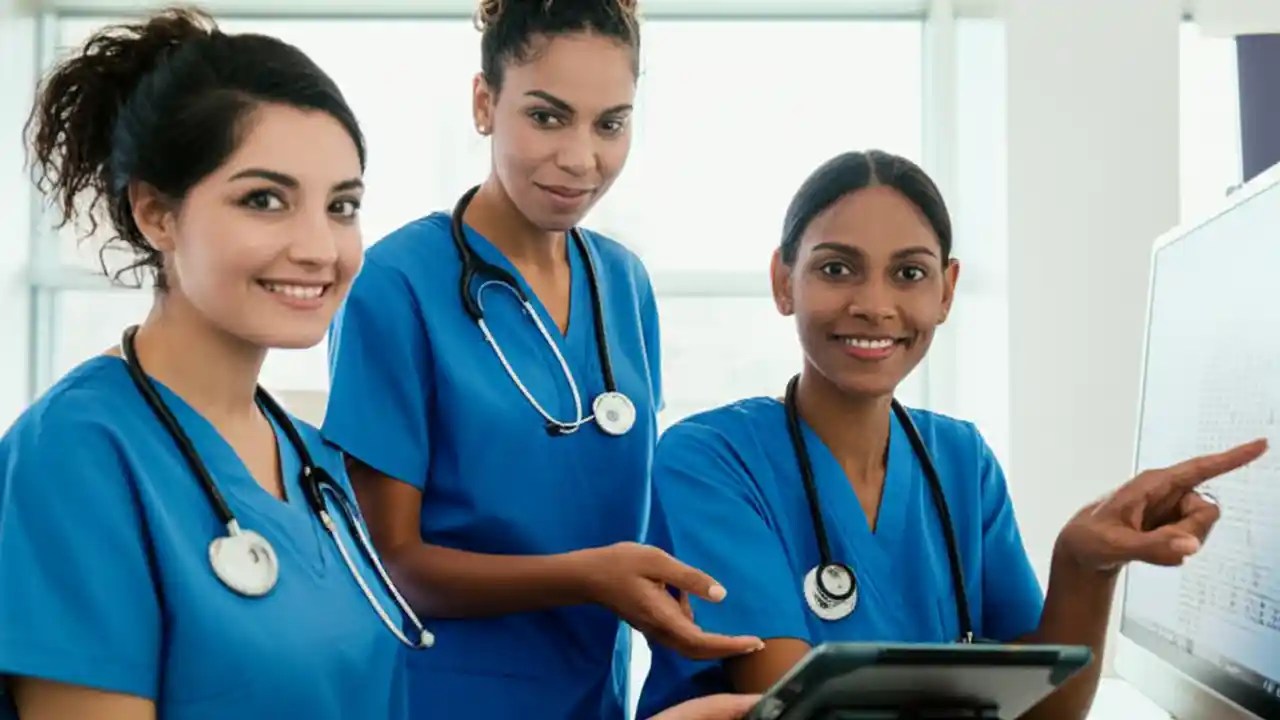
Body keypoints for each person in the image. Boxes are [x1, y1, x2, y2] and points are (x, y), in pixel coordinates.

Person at [636, 150, 1268, 720]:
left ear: (947, 290)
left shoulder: (962, 462)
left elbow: (1047, 713)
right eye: (837, 269)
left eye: (909, 274)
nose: (875, 305)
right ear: (783, 281)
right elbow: (798, 707)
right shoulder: (709, 459)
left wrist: (1085, 566)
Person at [321, 1, 762, 718]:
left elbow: (631, 517)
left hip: (592, 696)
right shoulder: (395, 284)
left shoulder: (625, 284)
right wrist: (589, 577)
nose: (581, 158)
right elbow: (390, 564)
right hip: (437, 696)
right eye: (548, 117)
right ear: (484, 102)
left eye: (610, 123)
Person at [0, 8, 441, 719]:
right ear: (156, 215)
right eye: (264, 200)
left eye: (342, 205)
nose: (318, 247)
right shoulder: (75, 457)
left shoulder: (312, 461)